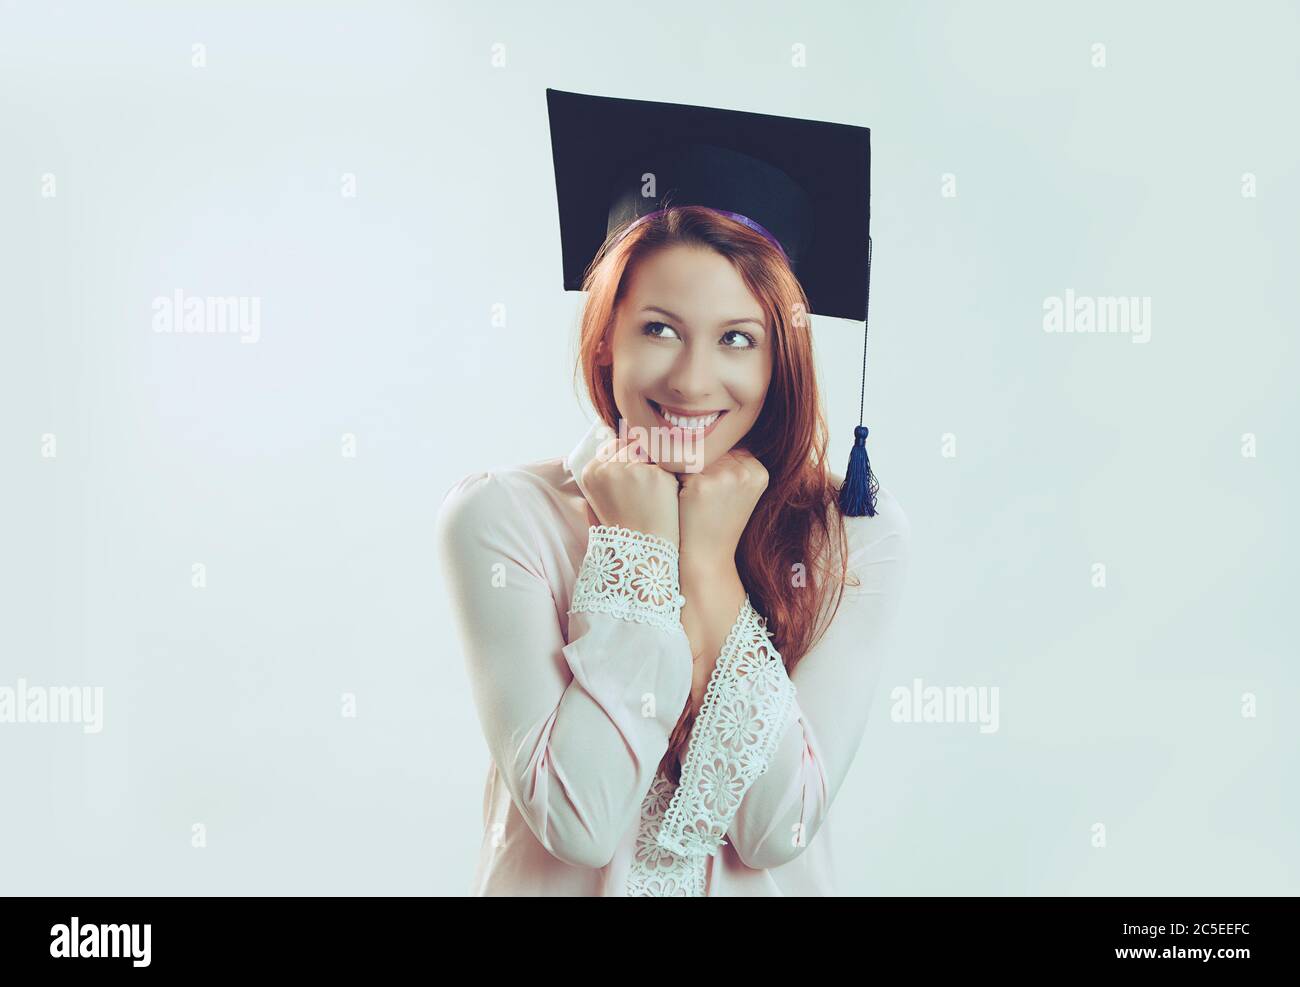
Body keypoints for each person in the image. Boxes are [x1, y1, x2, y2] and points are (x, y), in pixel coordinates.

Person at [434, 90, 911, 896]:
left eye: (737, 338)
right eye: (659, 328)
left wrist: (711, 574)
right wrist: (640, 555)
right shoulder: (503, 520)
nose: (693, 380)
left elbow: (777, 828)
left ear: (778, 359)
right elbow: (578, 820)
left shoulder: (852, 535)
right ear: (606, 334)